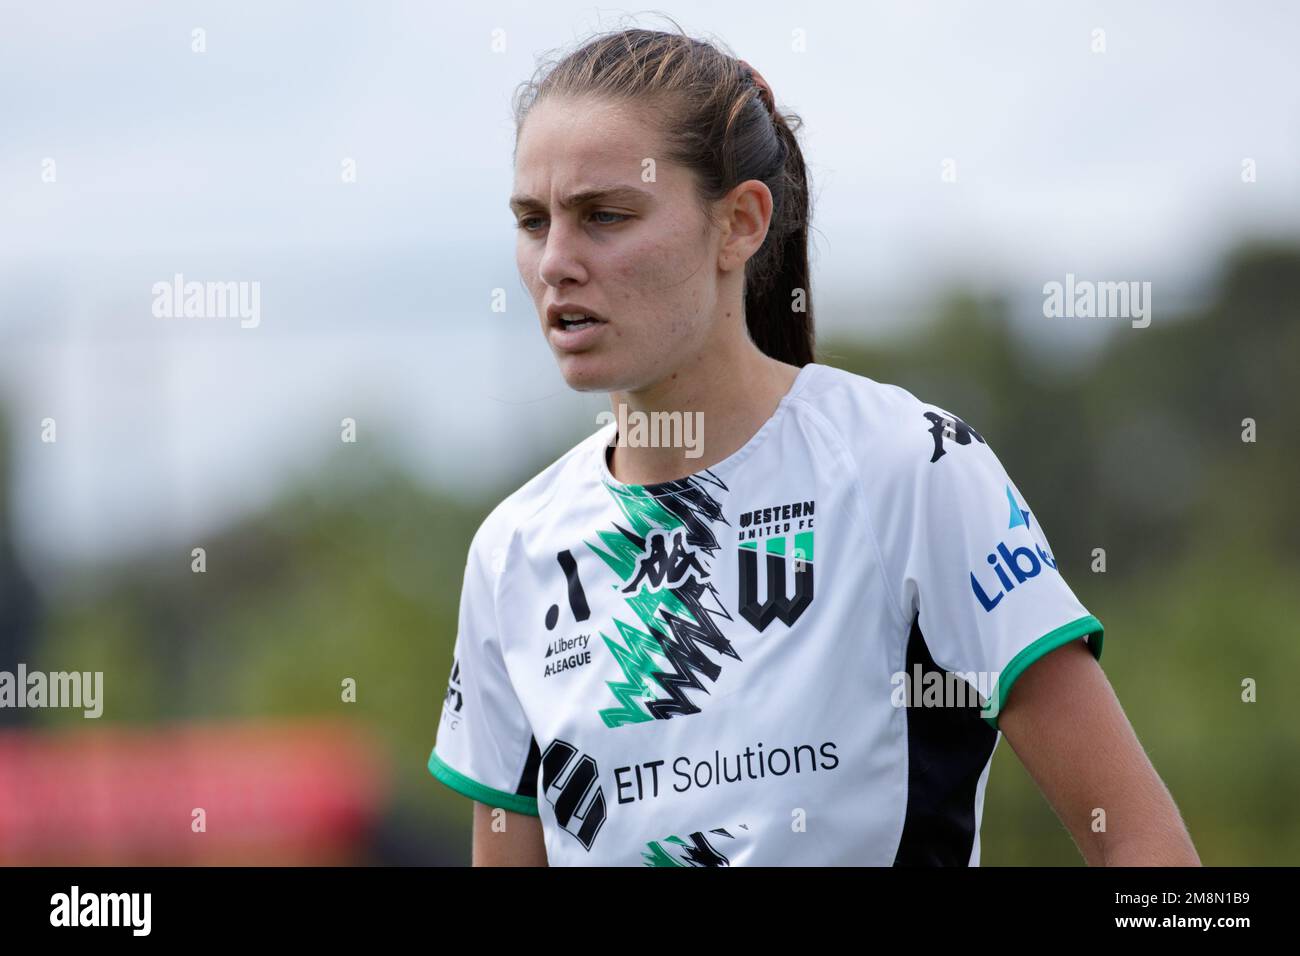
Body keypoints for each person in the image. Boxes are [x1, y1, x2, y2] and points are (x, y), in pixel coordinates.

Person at [426, 23, 1200, 866]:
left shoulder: (908, 465)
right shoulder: (511, 552)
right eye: (533, 222)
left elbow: (1141, 846)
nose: (556, 263)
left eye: (605, 216)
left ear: (740, 224)